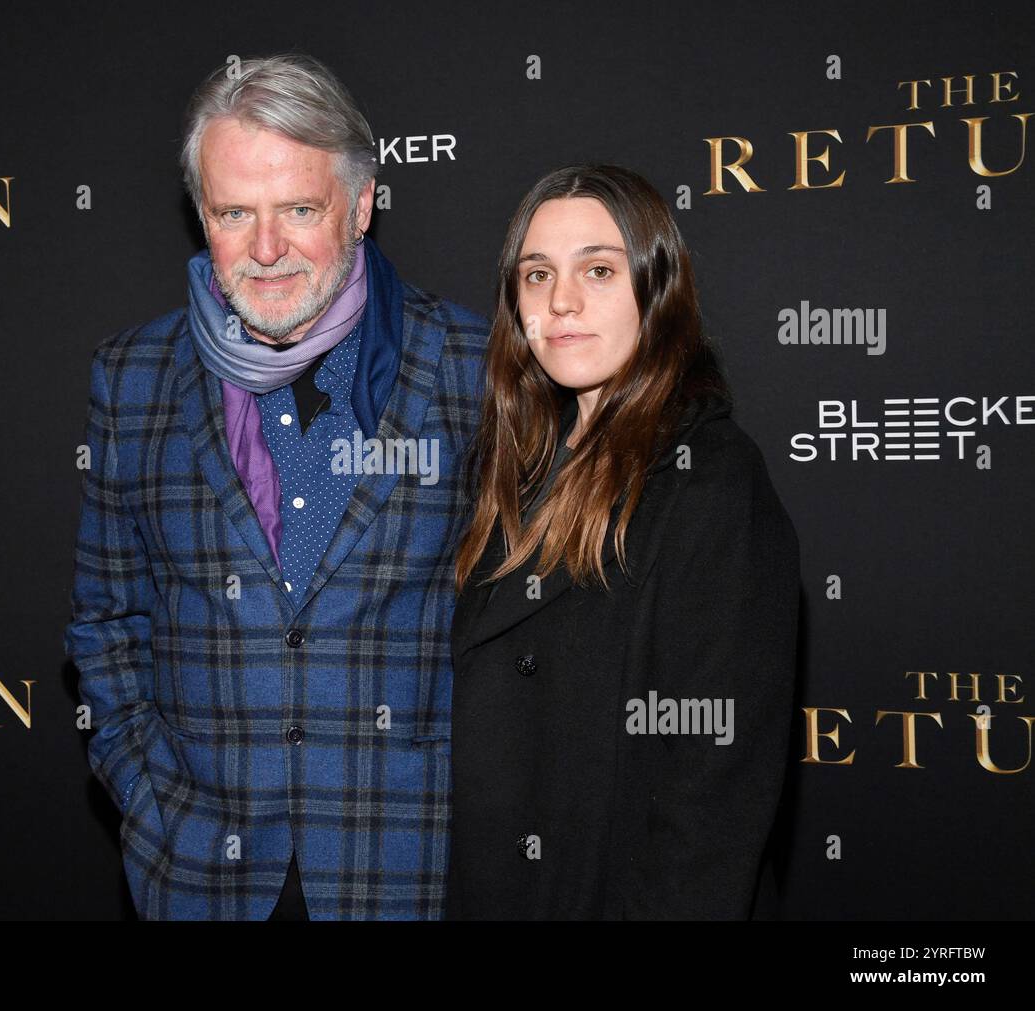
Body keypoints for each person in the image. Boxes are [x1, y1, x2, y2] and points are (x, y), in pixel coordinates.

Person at [63, 53, 487, 920]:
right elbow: (106, 620)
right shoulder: (134, 375)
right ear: (202, 216)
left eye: (299, 209)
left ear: (361, 204)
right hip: (202, 881)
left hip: (410, 876)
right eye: (233, 213)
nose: (265, 249)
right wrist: (153, 807)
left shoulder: (473, 370)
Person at [445, 164, 801, 920]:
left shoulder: (711, 479)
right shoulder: (512, 466)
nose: (561, 300)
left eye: (598, 270)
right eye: (536, 274)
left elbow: (712, 790)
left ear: (657, 287)